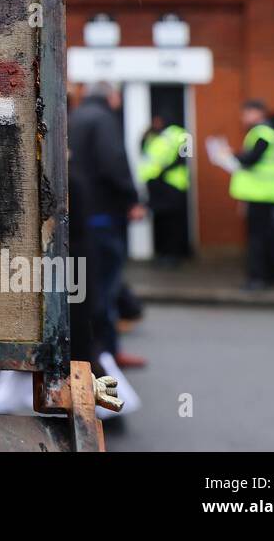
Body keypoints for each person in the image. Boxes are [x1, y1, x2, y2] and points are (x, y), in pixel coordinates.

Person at [68, 82, 145, 370]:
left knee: (88, 288)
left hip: (82, 217)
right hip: (104, 215)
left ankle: (96, 350)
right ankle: (107, 353)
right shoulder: (103, 120)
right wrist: (132, 198)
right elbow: (113, 163)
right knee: (106, 287)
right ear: (112, 97)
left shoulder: (74, 118)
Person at [226, 100, 274, 289]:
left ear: (257, 113)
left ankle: (257, 278)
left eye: (245, 113)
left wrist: (231, 155)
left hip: (261, 193)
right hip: (270, 193)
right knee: (270, 236)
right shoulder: (271, 131)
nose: (243, 118)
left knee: (257, 238)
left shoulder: (262, 133)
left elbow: (251, 159)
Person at [139, 114, 191, 265]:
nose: (156, 123)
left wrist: (164, 171)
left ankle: (173, 255)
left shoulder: (182, 134)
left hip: (173, 184)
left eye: (158, 120)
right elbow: (144, 153)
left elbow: (185, 157)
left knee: (172, 222)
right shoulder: (154, 135)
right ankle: (162, 253)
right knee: (160, 220)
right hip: (156, 185)